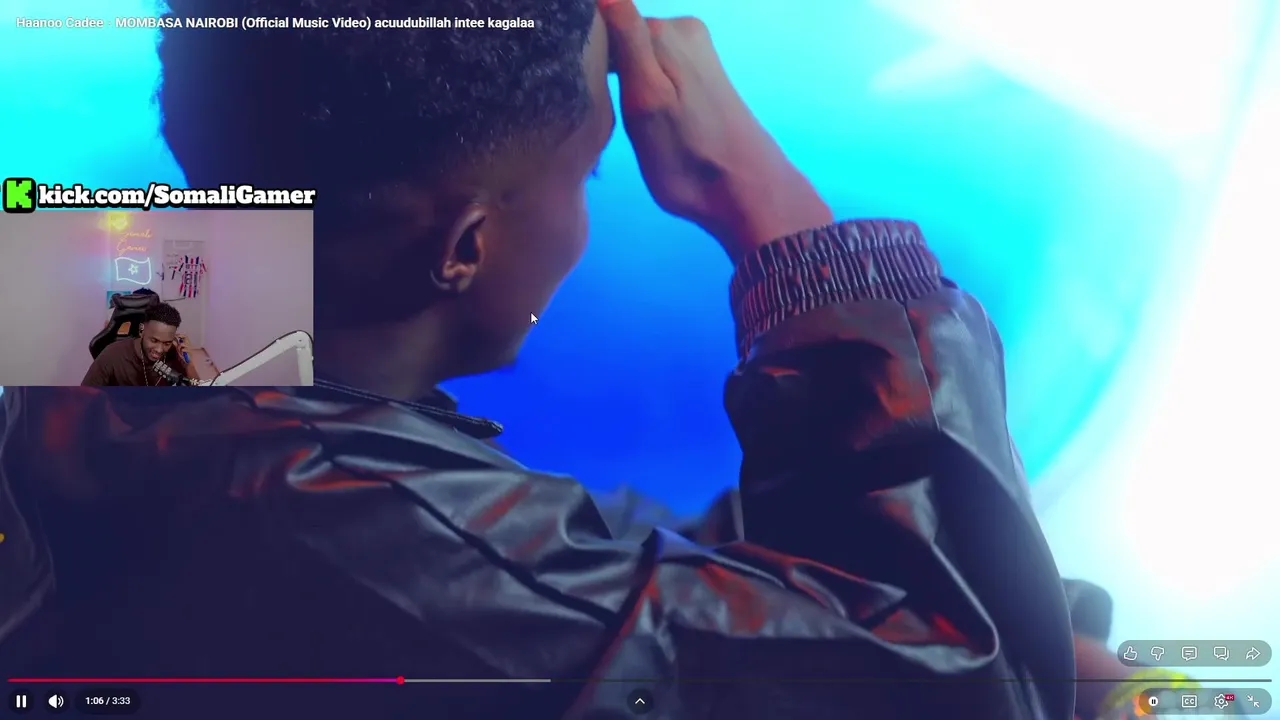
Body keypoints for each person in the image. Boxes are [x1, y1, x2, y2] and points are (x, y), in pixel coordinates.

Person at [0, 0, 1183, 718]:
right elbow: (972, 692)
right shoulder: (352, 530)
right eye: (590, 169)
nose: (588, 206)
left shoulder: (108, 312)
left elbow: (552, 573)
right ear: (465, 247)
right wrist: (771, 215)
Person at [80, 302, 197, 386]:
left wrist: (190, 366)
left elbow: (196, 396)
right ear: (141, 330)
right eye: (154, 340)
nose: (159, 349)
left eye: (167, 343)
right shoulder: (111, 355)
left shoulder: (174, 354)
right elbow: (85, 397)